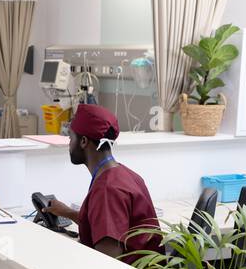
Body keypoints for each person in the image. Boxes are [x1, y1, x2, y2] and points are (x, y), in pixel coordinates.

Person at [40, 103, 161, 261]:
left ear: (83, 141)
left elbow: (108, 262)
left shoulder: (107, 190)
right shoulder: (125, 174)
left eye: (71, 137)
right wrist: (67, 212)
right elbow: (106, 225)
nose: (69, 144)